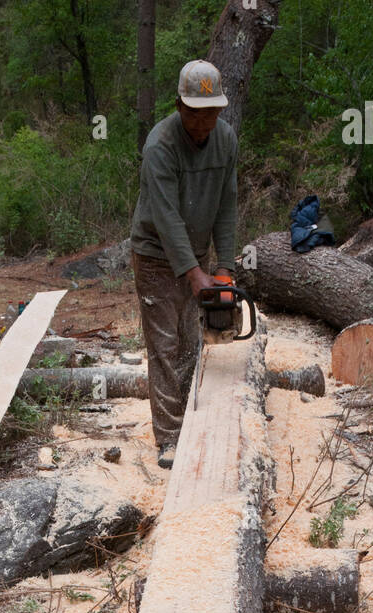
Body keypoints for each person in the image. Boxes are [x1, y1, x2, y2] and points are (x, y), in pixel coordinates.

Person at [130, 59, 238, 468]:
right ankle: (170, 440)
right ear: (179, 106)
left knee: (192, 343)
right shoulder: (161, 145)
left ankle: (193, 423)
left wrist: (223, 268)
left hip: (198, 253)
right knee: (164, 345)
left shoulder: (225, 140)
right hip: (157, 255)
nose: (202, 123)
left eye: (210, 114)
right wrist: (194, 274)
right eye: (195, 114)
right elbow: (165, 216)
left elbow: (227, 206)